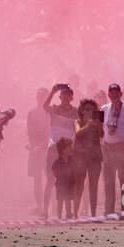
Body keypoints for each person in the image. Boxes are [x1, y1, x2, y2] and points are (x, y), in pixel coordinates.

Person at [100, 83, 124, 216]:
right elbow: (98, 128)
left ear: (121, 94)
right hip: (108, 149)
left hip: (122, 148)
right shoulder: (104, 108)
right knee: (108, 181)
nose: (114, 96)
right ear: (108, 95)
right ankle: (109, 210)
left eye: (116, 93)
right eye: (111, 93)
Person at [41, 84, 77, 220]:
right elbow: (45, 107)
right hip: (53, 148)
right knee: (50, 180)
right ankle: (45, 211)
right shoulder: (55, 109)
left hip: (68, 150)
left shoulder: (75, 112)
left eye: (68, 95)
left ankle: (68, 211)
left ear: (71, 97)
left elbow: (78, 128)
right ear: (60, 97)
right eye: (63, 95)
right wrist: (52, 91)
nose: (66, 97)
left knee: (68, 180)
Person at [72, 99, 103, 218]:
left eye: (92, 109)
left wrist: (99, 125)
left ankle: (93, 214)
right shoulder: (77, 121)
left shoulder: (96, 122)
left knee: (93, 185)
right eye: (87, 109)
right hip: (80, 156)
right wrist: (87, 126)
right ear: (82, 111)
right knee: (79, 184)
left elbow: (101, 135)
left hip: (95, 157)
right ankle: (75, 213)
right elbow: (77, 133)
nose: (89, 111)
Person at [51, 138, 78, 220]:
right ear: (62, 149)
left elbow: (75, 168)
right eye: (68, 146)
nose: (70, 148)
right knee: (60, 199)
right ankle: (59, 215)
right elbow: (53, 170)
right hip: (60, 183)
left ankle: (68, 214)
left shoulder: (71, 159)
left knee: (68, 199)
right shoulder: (57, 161)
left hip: (70, 183)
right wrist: (59, 176)